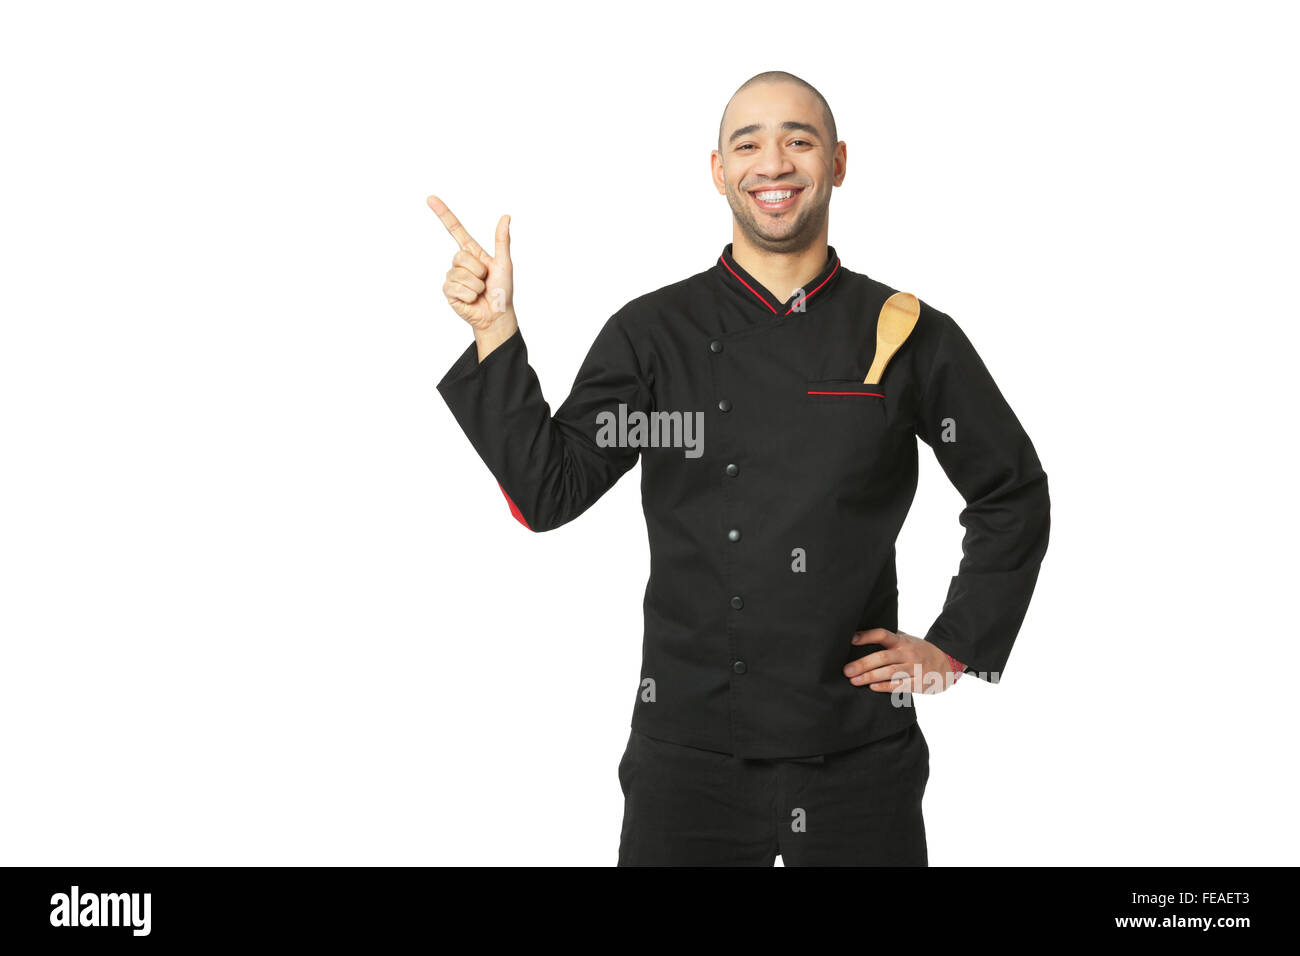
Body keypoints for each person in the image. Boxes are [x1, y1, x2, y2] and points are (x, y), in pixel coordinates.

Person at [430, 70, 1051, 866]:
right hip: (686, 756)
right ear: (718, 170)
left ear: (839, 162)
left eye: (800, 139)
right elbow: (551, 490)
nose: (775, 163)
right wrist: (494, 332)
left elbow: (1011, 493)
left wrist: (956, 646)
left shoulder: (905, 332)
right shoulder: (656, 333)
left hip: (857, 749)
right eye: (748, 143)